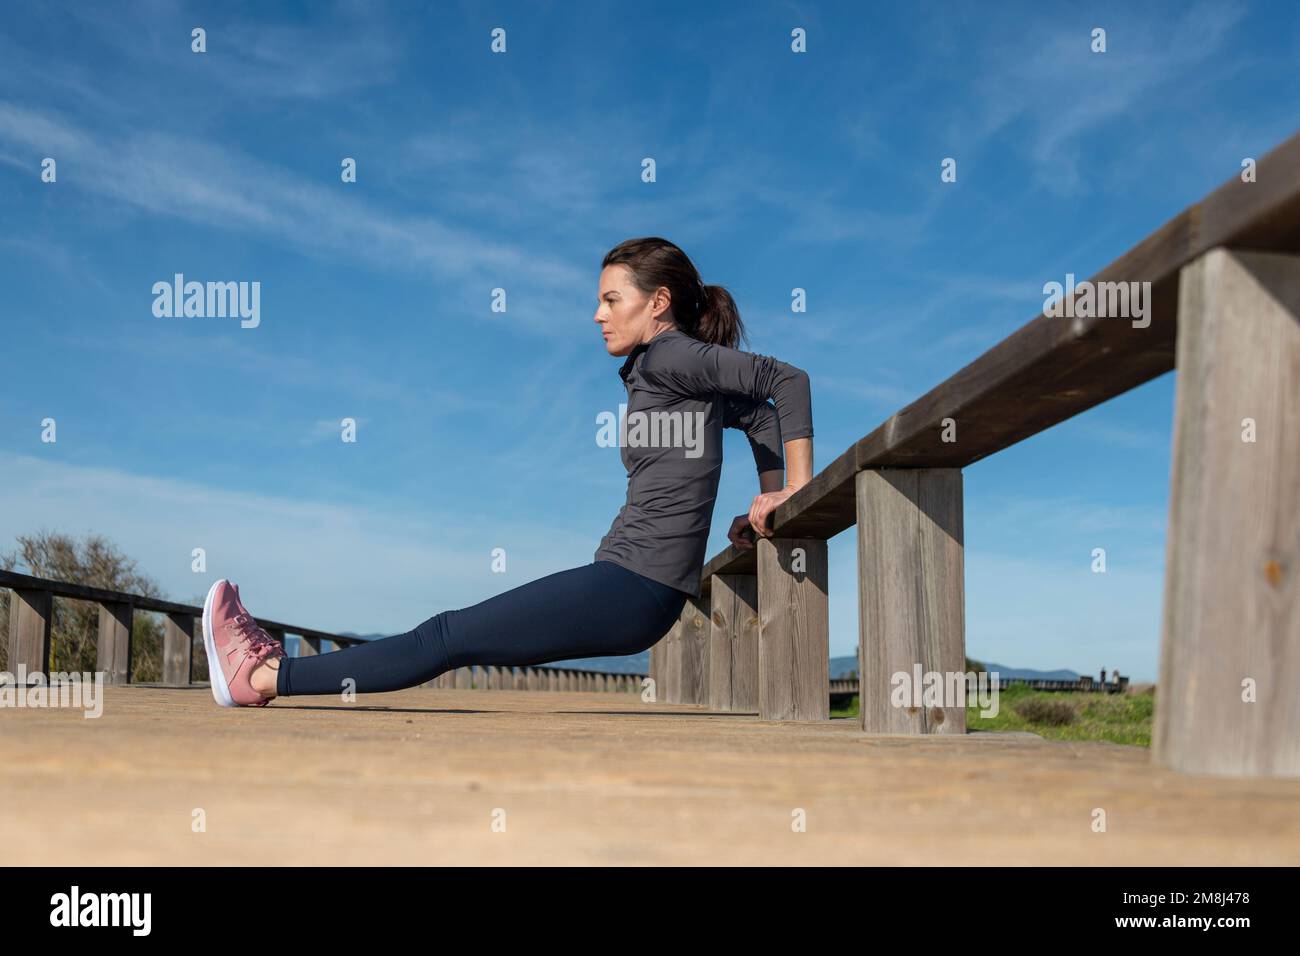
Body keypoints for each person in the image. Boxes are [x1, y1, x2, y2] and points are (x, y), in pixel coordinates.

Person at [202, 237, 815, 707]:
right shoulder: (662, 370)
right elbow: (762, 421)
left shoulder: (674, 354)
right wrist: (766, 506)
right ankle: (265, 672)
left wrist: (792, 492)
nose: (597, 314)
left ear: (658, 303)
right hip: (635, 589)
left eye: (610, 299)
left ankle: (260, 675)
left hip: (635, 585)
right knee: (451, 638)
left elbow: (786, 382)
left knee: (446, 637)